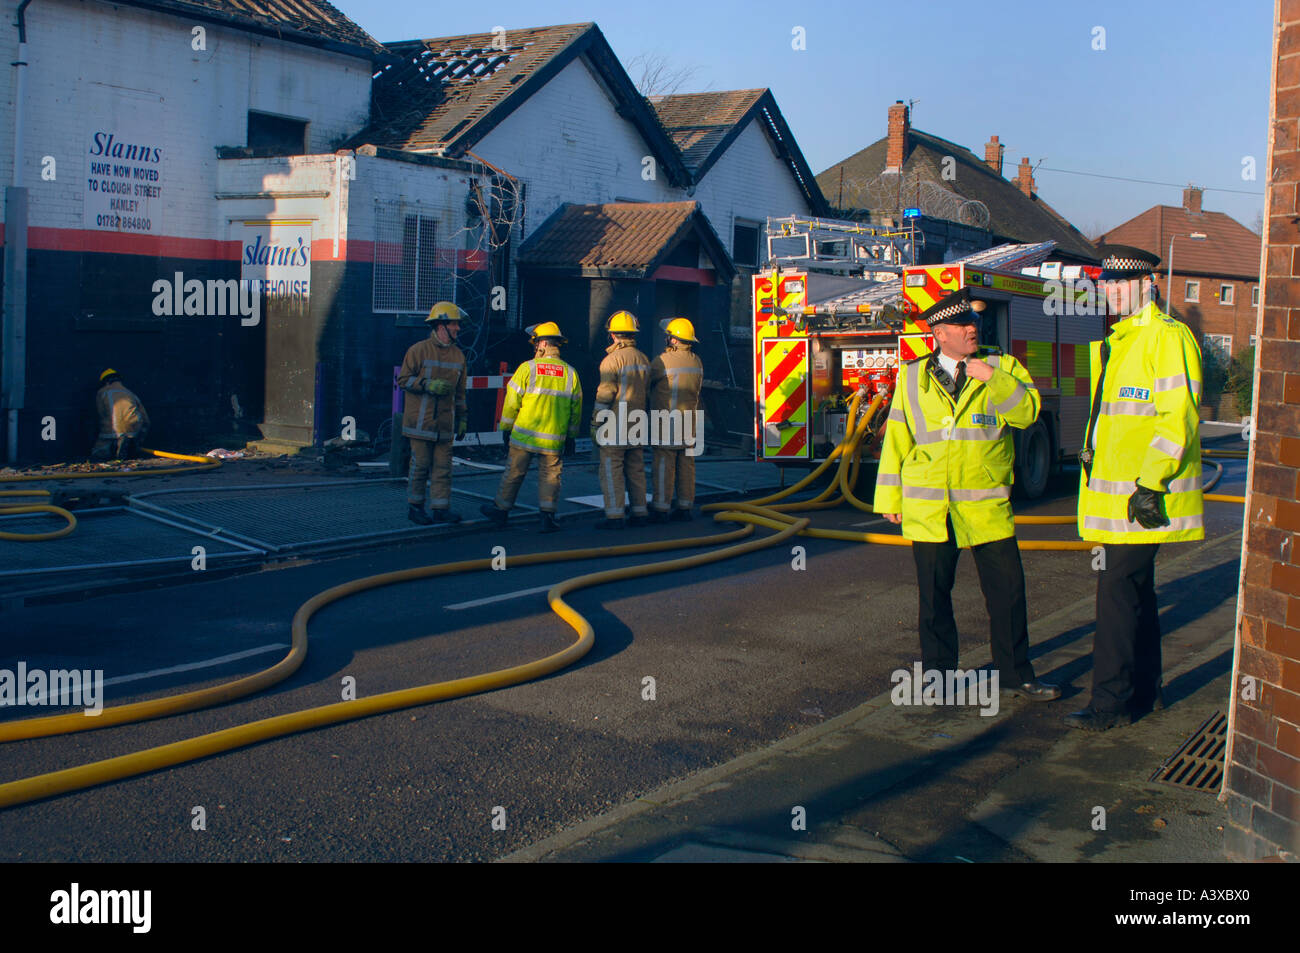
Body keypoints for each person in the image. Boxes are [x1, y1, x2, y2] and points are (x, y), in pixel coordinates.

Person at [873, 287, 1060, 703]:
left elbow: (1028, 413)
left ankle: (1015, 674)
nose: (972, 328)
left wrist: (993, 379)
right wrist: (889, 499)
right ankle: (940, 680)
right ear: (940, 333)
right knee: (934, 600)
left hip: (985, 506)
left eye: (973, 322)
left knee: (1008, 593)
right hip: (930, 507)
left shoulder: (1001, 366)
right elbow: (898, 439)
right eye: (961, 324)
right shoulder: (911, 376)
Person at [1065, 245, 1204, 731]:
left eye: (1121, 283)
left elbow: (1178, 416)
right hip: (1124, 498)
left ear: (1148, 286)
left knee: (1118, 596)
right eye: (1106, 283)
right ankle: (1146, 692)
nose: (1111, 291)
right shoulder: (1119, 340)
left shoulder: (1166, 337)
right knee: (1137, 593)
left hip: (1143, 497)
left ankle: (1111, 704)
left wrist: (1150, 483)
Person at [479, 322, 582, 533]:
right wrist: (571, 437)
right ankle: (547, 517)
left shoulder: (528, 368)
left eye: (536, 343)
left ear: (543, 343)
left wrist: (506, 428)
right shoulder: (571, 373)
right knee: (551, 477)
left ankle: (501, 511)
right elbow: (576, 408)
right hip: (553, 439)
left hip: (525, 436)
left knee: (514, 473)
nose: (534, 348)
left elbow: (511, 402)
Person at [397, 301, 468, 525]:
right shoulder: (418, 350)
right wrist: (427, 384)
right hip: (421, 424)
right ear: (440, 325)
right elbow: (403, 380)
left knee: (443, 469)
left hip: (444, 425)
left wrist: (463, 417)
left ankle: (440, 508)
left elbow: (460, 392)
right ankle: (415, 508)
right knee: (420, 466)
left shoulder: (459, 356)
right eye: (454, 324)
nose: (458, 329)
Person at [592, 310, 651, 529]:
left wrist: (596, 422)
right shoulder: (644, 359)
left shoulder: (611, 360)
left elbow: (605, 394)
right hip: (638, 421)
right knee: (636, 469)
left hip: (615, 423)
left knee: (611, 467)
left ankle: (615, 516)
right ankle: (640, 512)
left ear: (613, 335)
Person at [648, 317, 704, 522]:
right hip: (689, 421)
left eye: (669, 336)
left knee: (664, 464)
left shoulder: (662, 361)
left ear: (673, 340)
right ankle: (685, 507)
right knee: (687, 466)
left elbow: (647, 383)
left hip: (667, 422)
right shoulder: (696, 361)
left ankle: (661, 508)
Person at [91, 369, 150, 461]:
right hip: (134, 427)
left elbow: (101, 413)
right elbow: (144, 416)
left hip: (113, 429)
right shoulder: (129, 393)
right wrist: (142, 432)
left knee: (98, 453)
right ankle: (130, 444)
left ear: (106, 382)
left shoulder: (102, 392)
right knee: (129, 437)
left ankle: (116, 445)